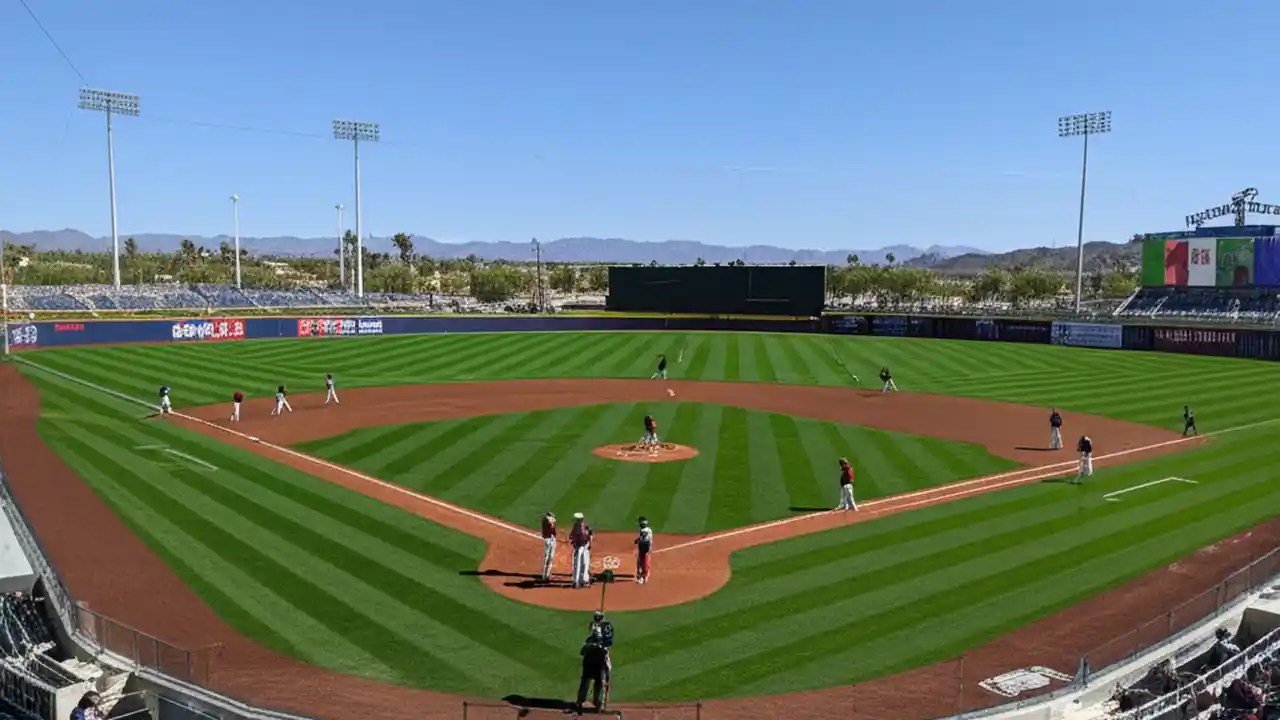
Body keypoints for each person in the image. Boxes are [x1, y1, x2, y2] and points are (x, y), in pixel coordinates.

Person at [575, 629, 609, 714]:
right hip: (598, 667)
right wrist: (607, 672)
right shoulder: (604, 647)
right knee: (599, 684)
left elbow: (582, 652)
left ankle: (580, 701)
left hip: (589, 666)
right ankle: (598, 703)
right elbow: (605, 660)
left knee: (585, 682)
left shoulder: (588, 645)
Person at [588, 611, 615, 709]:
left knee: (600, 680)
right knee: (603, 680)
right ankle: (601, 703)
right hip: (603, 656)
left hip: (599, 656)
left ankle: (600, 702)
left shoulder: (597, 628)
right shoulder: (605, 626)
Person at [570, 513, 593, 588]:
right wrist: (572, 539)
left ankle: (580, 581)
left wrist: (573, 541)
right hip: (581, 547)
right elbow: (572, 535)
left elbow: (583, 538)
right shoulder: (578, 526)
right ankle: (578, 581)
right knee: (580, 564)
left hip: (581, 547)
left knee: (580, 564)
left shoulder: (581, 527)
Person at [634, 517, 654, 584]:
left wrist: (649, 548)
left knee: (645, 564)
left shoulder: (646, 530)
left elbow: (647, 539)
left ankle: (644, 577)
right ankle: (641, 574)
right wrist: (638, 540)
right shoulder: (643, 530)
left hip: (646, 548)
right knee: (639, 563)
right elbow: (642, 537)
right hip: (642, 548)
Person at [540, 512, 557, 582]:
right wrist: (552, 520)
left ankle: (546, 575)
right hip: (550, 541)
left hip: (548, 539)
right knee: (549, 558)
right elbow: (552, 526)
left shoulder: (545, 520)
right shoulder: (548, 520)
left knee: (548, 558)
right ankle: (546, 576)